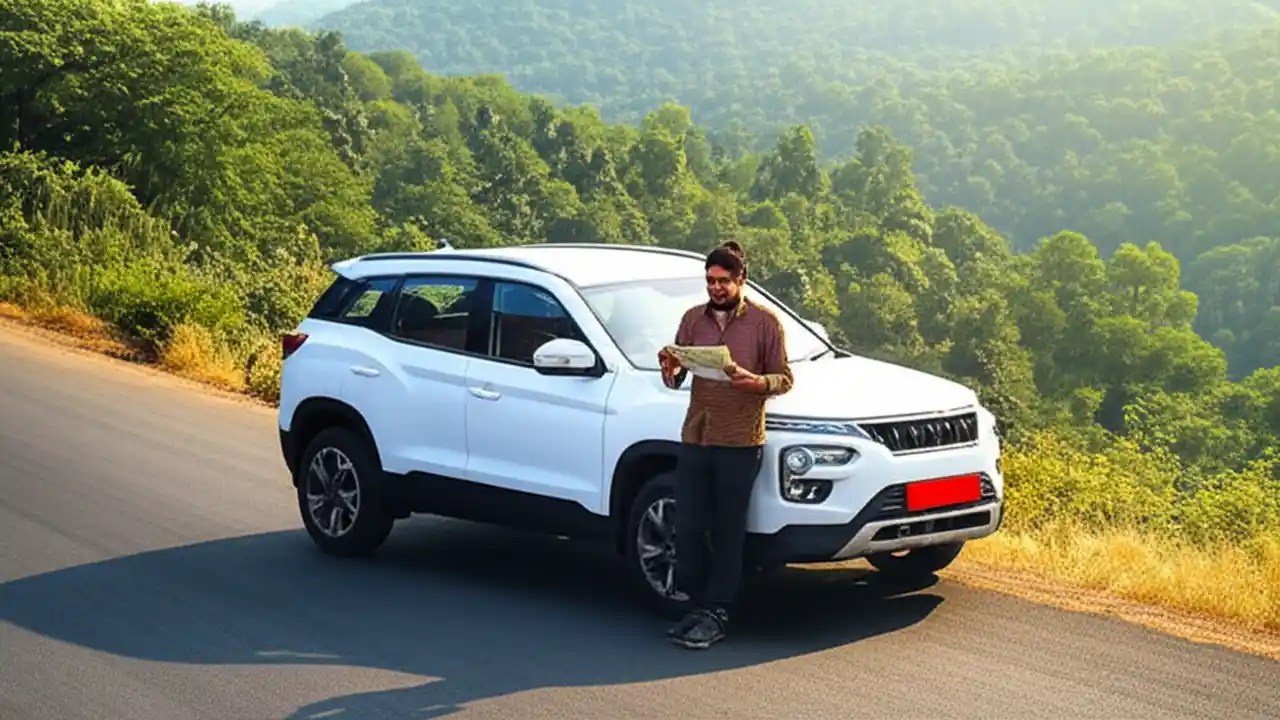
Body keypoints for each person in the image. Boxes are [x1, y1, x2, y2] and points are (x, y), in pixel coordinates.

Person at [657, 240, 794, 650]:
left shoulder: (765, 324)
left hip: (740, 438)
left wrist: (757, 382)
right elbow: (676, 379)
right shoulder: (691, 320)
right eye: (710, 281)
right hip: (698, 433)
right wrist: (669, 368)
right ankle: (697, 605)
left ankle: (717, 611)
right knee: (689, 524)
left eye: (723, 281)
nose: (715, 288)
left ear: (741, 281)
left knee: (728, 528)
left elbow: (784, 378)